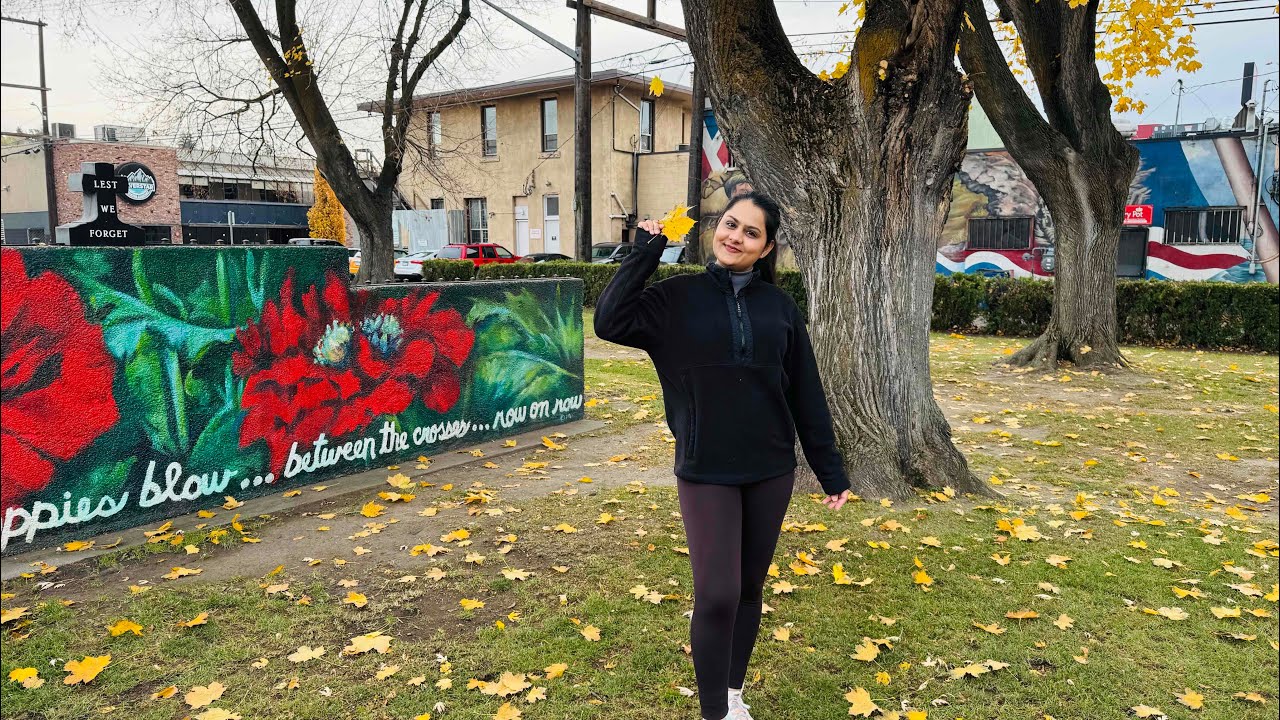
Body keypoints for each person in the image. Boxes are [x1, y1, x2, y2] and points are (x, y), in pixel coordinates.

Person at [594, 191, 852, 720]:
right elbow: (609, 321)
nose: (735, 237)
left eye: (751, 233)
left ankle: (733, 696)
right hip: (705, 466)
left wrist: (830, 470)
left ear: (766, 247)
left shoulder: (779, 308)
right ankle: (714, 712)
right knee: (716, 592)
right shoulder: (675, 299)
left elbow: (805, 391)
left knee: (749, 588)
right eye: (730, 224)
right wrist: (648, 250)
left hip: (770, 467)